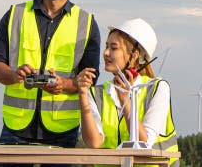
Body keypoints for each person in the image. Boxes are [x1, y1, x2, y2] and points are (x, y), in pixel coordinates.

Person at [0, 0, 100, 166]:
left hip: (62, 132)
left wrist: (64, 84)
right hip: (15, 130)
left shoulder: (86, 23)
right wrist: (14, 74)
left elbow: (90, 80)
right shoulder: (15, 15)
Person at [77, 18, 179, 166]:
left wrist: (125, 98)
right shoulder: (95, 93)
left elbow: (144, 143)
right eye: (106, 46)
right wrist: (82, 95)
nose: (105, 53)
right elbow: (94, 143)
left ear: (135, 55)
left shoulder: (158, 88)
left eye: (113, 48)